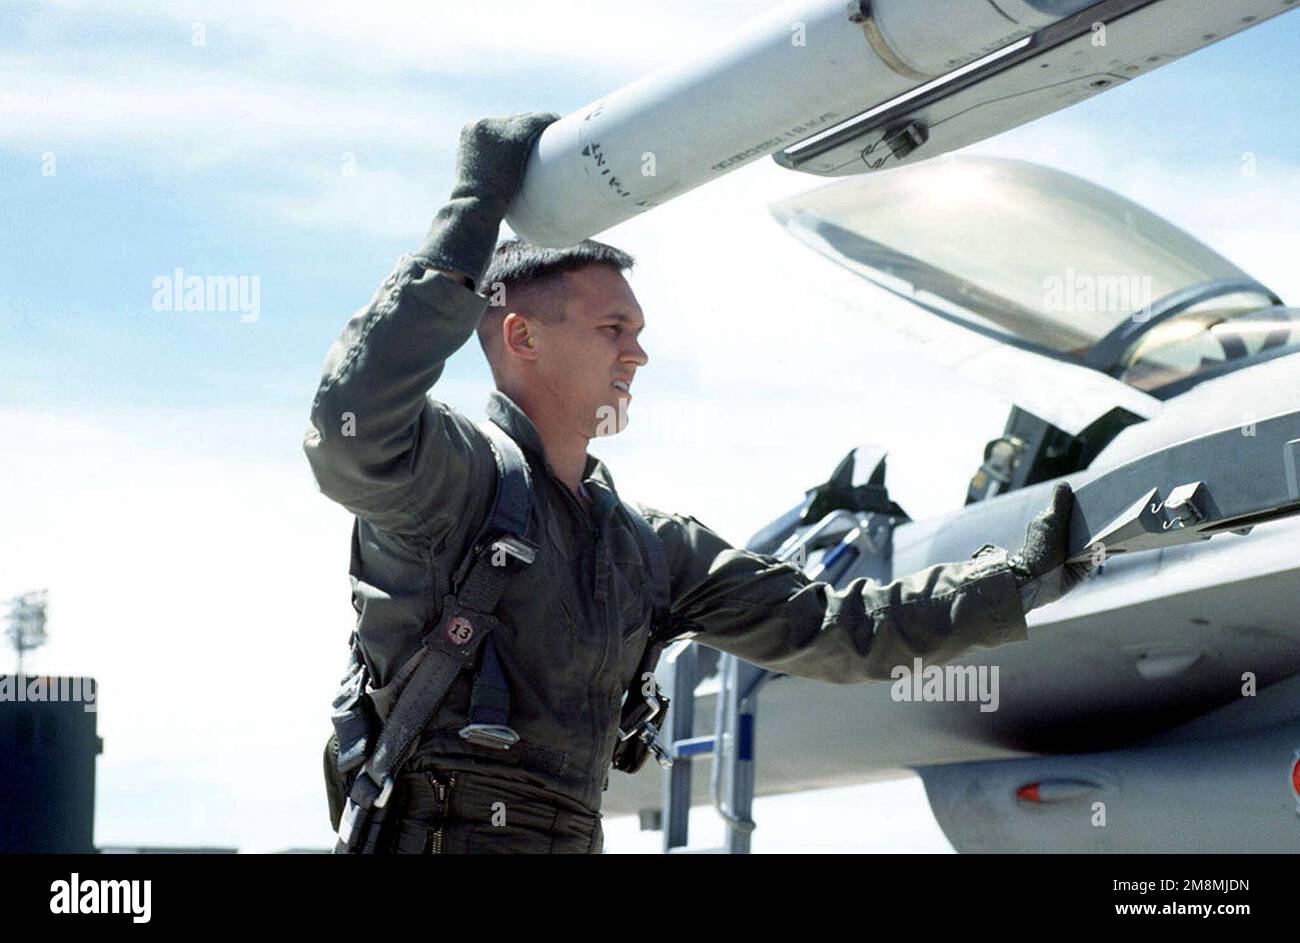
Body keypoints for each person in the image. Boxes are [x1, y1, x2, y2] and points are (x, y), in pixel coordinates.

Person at [303, 113, 1084, 854]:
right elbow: (351, 417)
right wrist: (473, 211)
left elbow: (839, 627)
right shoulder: (450, 479)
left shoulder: (649, 547)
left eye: (638, 333)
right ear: (523, 335)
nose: (637, 356)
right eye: (614, 330)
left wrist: (1013, 582)